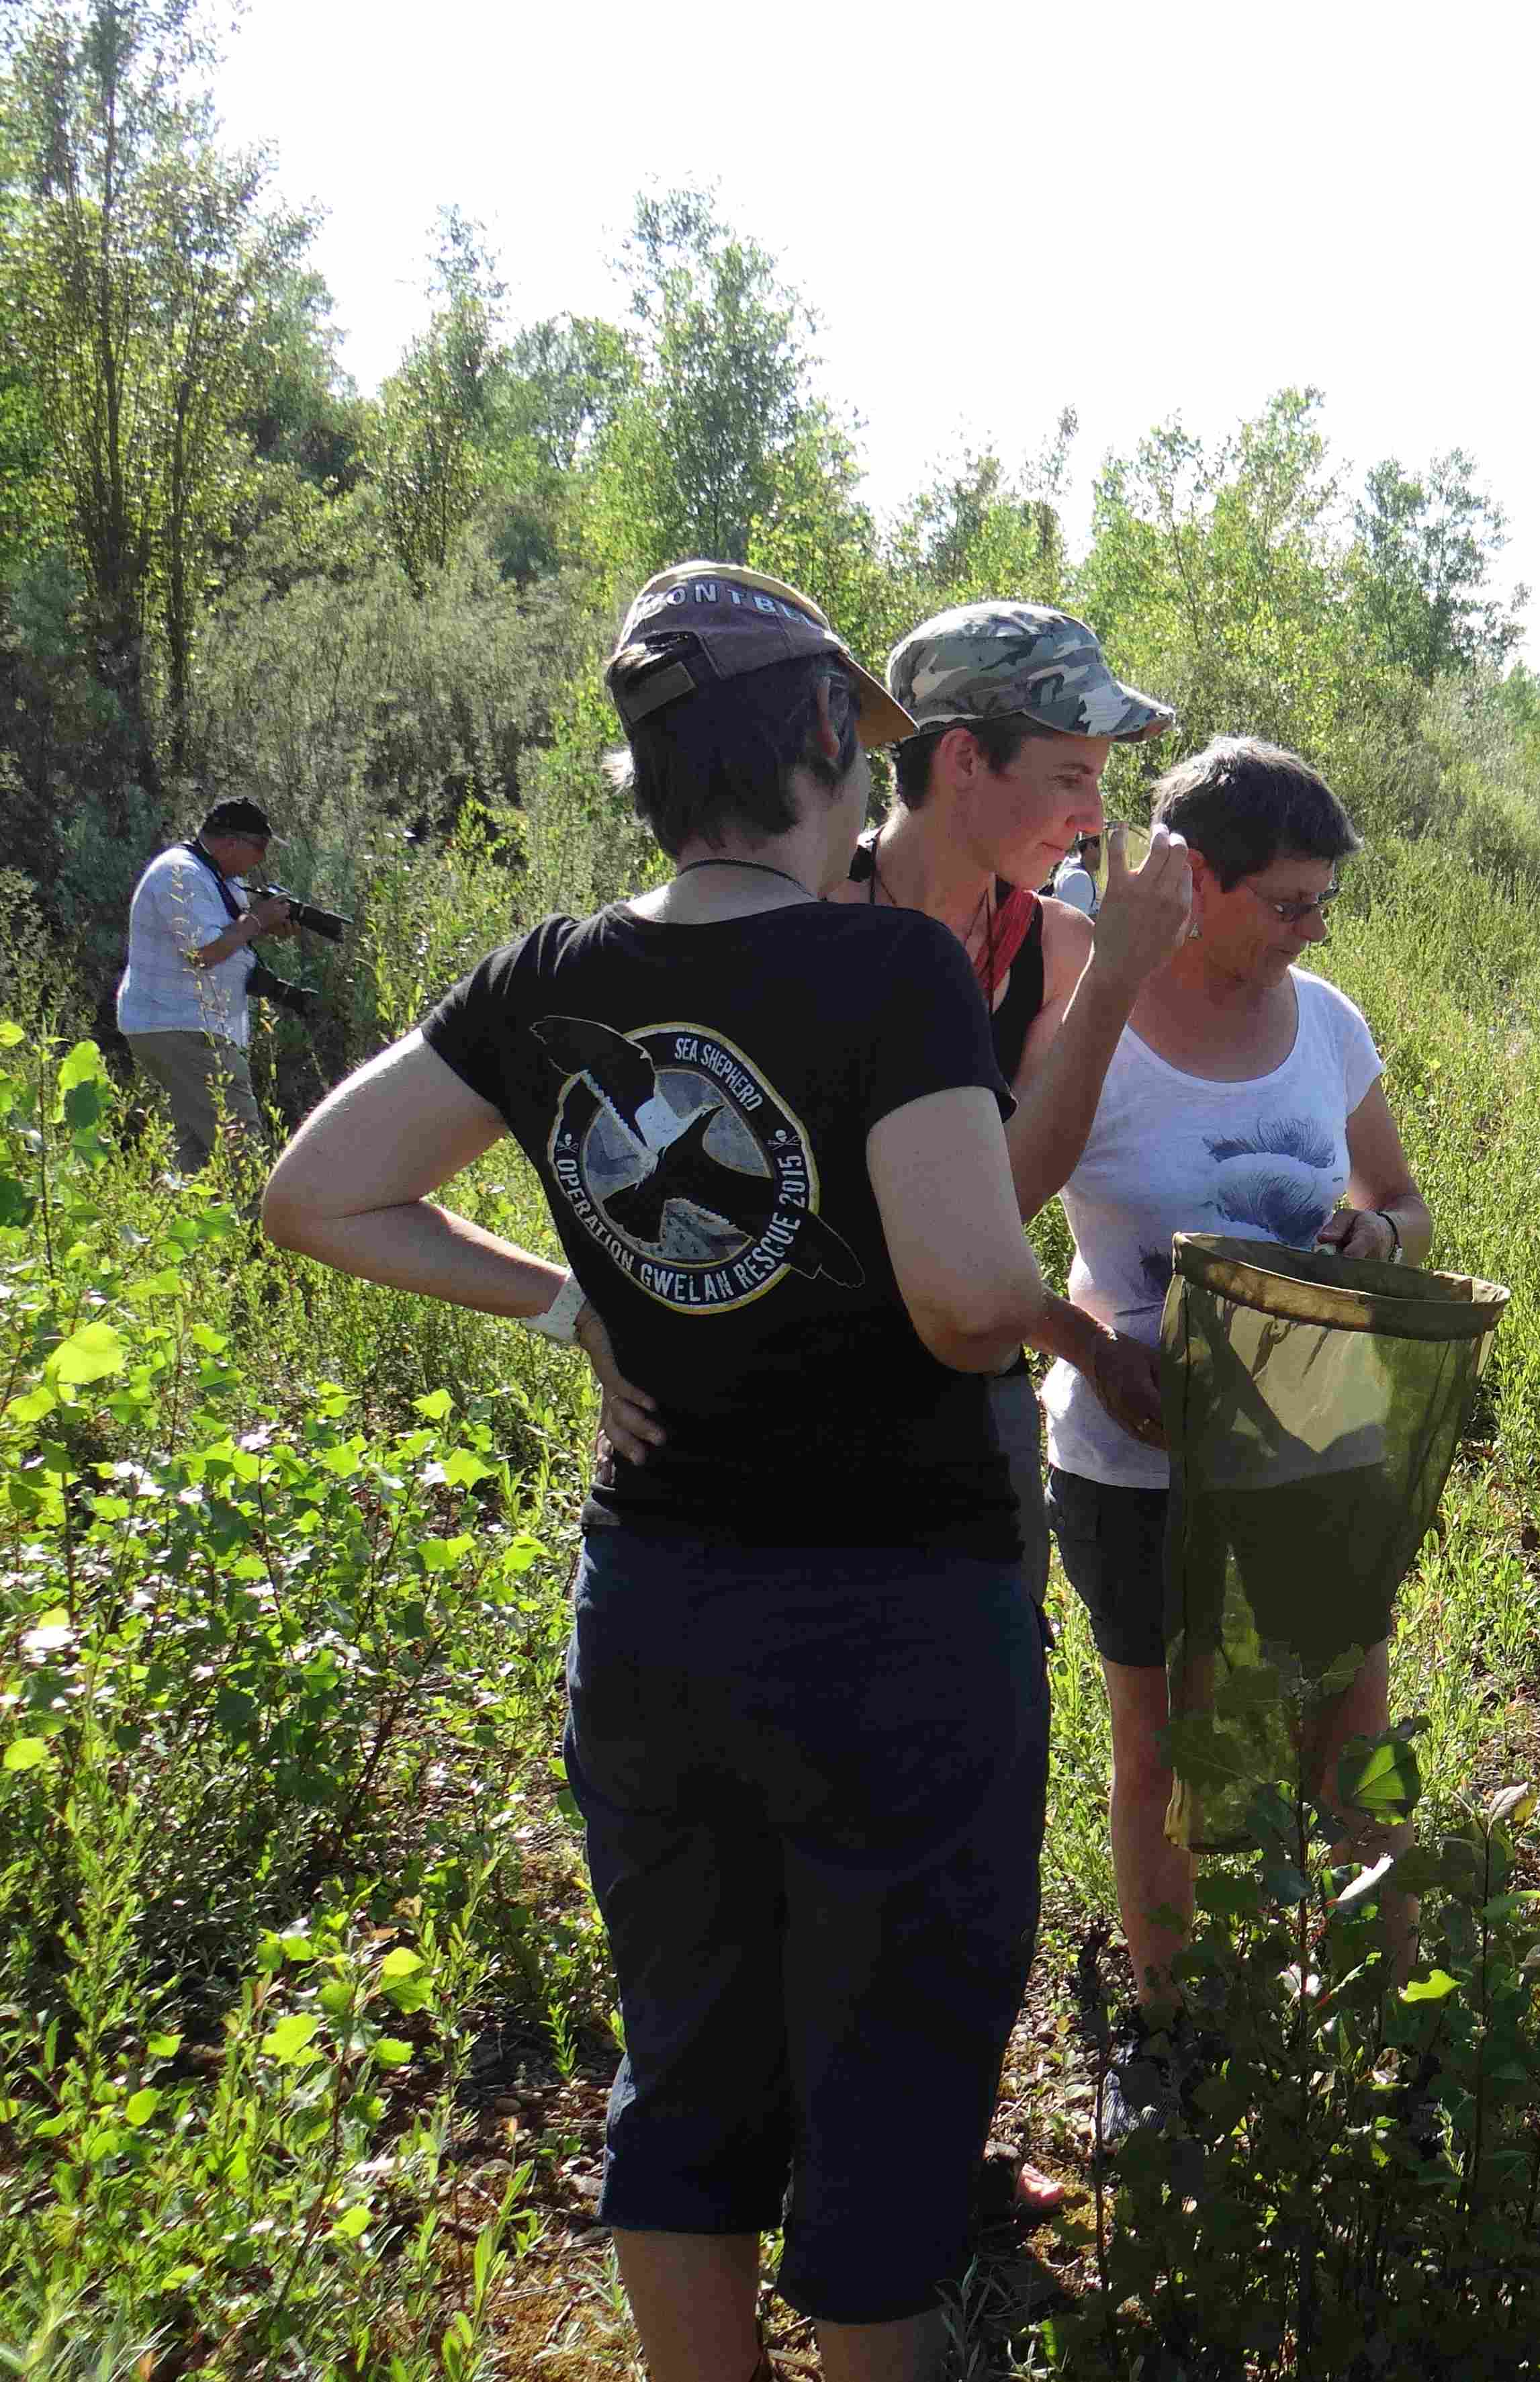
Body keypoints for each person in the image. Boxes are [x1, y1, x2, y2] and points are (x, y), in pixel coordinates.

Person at [261, 560, 1124, 2382]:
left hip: (654, 1608)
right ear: (827, 738)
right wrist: (1077, 1334)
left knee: (688, 2065)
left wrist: (562, 1302)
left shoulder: (555, 972)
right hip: (895, 1621)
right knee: (889, 2085)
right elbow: (968, 1294)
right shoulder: (885, 966)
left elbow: (318, 1189)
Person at [1036, 734, 1434, 2150]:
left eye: (1322, 903)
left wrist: (1369, 1234)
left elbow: (1402, 1202)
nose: (1309, 929)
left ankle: (1398, 2007)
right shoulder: (1093, 1016)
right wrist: (1092, 1341)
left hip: (1316, 1446)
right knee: (1162, 1748)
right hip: (1135, 1463)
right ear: (1190, 877)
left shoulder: (1323, 1019)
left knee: (1354, 1721)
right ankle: (1168, 2029)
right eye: (1284, 901)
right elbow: (984, 1218)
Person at [810, 598, 1195, 1632]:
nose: (1089, 816)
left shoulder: (1052, 948)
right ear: (966, 760)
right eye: (1070, 776)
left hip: (960, 1411)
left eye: (1099, 783)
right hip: (789, 1417)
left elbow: (1003, 1198)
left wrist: (1110, 982)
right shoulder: (803, 916)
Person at [115, 795, 299, 1175]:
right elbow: (203, 953)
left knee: (196, 1149)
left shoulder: (214, 878)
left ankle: (191, 1229)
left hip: (182, 1025)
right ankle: (258, 1232)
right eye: (259, 848)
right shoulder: (179, 873)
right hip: (182, 1027)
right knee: (240, 1141)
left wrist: (264, 926)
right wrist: (258, 921)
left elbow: (225, 938)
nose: (261, 859)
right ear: (231, 843)